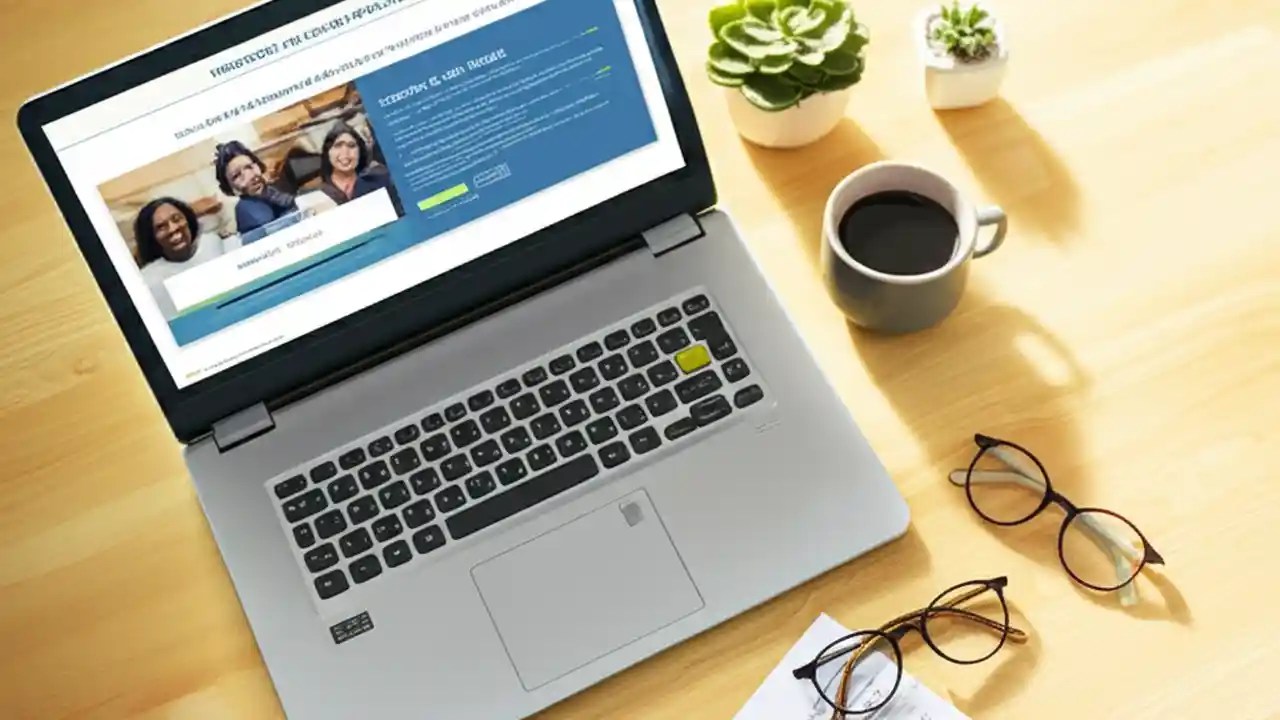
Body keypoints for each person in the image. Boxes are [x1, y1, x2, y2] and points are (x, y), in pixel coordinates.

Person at [134, 197, 224, 319]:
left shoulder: (211, 243)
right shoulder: (148, 280)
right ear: (151, 237)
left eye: (177, 219)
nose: (173, 228)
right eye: (161, 227)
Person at [214, 140, 299, 241]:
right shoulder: (247, 209)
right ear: (230, 188)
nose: (250, 176)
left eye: (249, 167)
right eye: (236, 176)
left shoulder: (269, 191)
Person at [317, 122, 394, 207]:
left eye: (351, 146)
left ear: (360, 151)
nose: (345, 152)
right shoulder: (317, 195)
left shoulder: (380, 179)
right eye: (338, 145)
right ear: (327, 152)